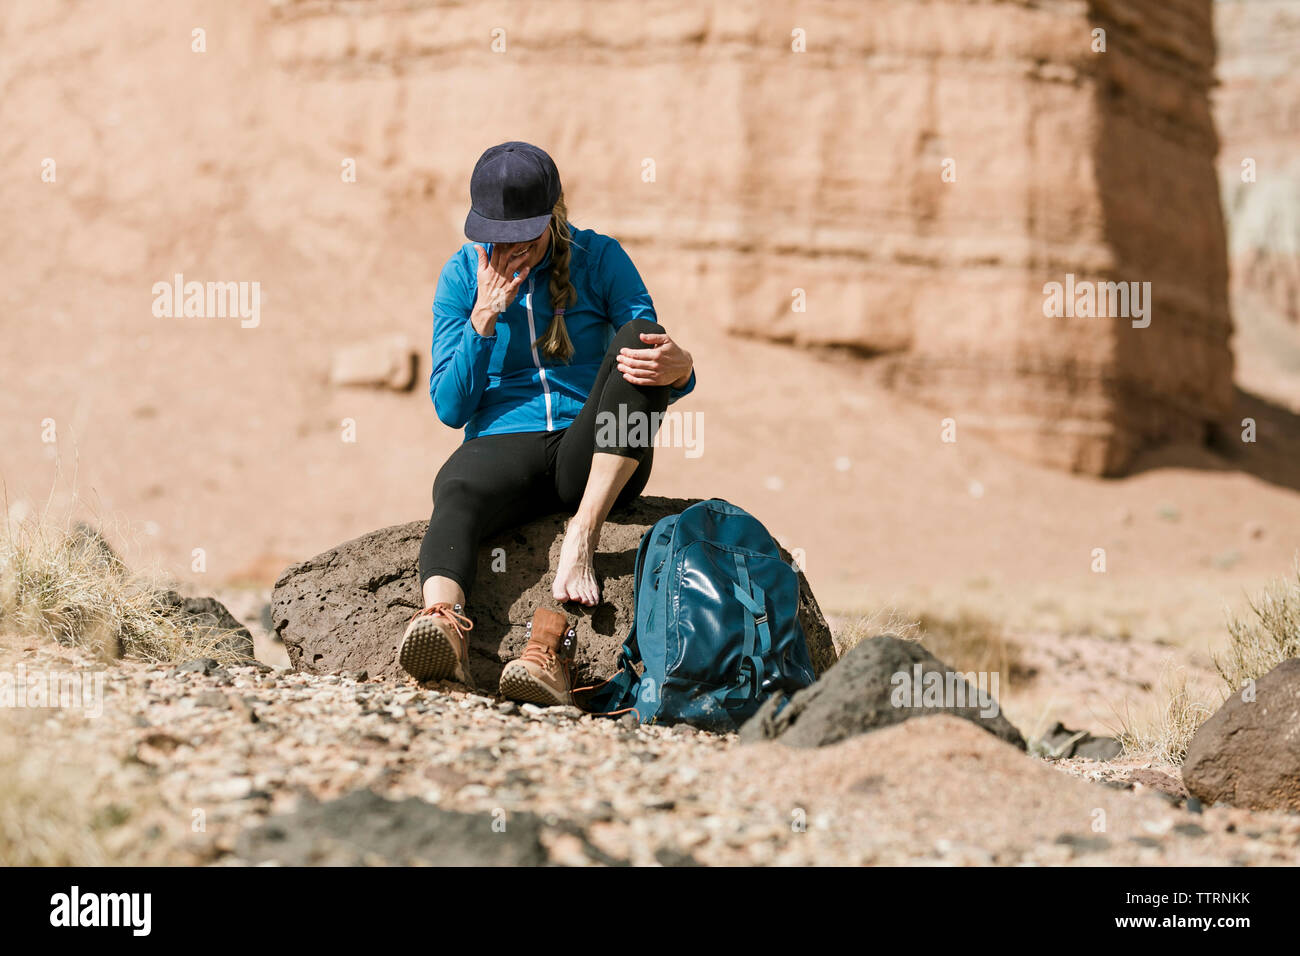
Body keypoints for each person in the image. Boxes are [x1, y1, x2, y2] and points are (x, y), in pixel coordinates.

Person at [399, 141, 696, 705]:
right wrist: (483, 319)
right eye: (497, 236)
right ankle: (443, 622)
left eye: (525, 236)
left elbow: (655, 365)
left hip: (596, 451)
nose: (509, 250)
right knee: (456, 488)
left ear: (554, 216)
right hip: (504, 443)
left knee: (638, 338)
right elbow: (449, 408)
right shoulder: (462, 276)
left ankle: (581, 533)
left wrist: (683, 369)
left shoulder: (601, 257)